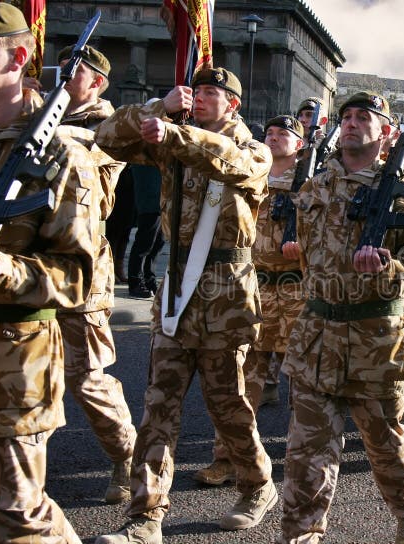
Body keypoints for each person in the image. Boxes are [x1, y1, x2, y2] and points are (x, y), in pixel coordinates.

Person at [94, 66, 275, 543]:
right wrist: (158, 109)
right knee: (159, 404)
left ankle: (257, 485)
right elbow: (107, 138)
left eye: (211, 92)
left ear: (233, 104)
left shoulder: (254, 149)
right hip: (176, 290)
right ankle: (145, 517)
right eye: (196, 91)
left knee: (227, 404)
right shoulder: (171, 135)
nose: (201, 97)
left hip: (225, 293)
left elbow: (230, 163)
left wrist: (174, 132)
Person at [0, 4, 98, 541]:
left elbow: (79, 277)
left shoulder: (61, 155)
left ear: (16, 58)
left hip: (4, 373)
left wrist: (5, 271)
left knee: (16, 524)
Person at [276, 91, 404, 544]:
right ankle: (301, 533)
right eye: (346, 116)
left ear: (385, 132)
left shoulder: (401, 192)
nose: (351, 123)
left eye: (363, 117)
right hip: (317, 335)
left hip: (375, 338)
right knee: (306, 452)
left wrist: (387, 270)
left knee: (385, 441)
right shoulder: (315, 187)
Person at [194, 115, 307, 487]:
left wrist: (304, 247)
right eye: (269, 133)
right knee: (242, 379)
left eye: (283, 134)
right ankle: (227, 458)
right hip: (254, 286)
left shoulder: (312, 184)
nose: (273, 138)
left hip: (295, 290)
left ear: (300, 145)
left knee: (302, 383)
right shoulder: (249, 173)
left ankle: (301, 459)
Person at [52, 44, 137, 505]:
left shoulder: (108, 126)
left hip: (81, 266)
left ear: (98, 82)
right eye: (62, 67)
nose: (63, 76)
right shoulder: (36, 115)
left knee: (86, 378)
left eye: (75, 71)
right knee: (25, 377)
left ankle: (127, 456)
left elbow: (82, 151)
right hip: (29, 262)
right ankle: (10, 488)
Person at [127, 163, 165, 298]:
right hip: (149, 188)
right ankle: (135, 281)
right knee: (145, 241)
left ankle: (149, 278)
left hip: (162, 191)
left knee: (159, 241)